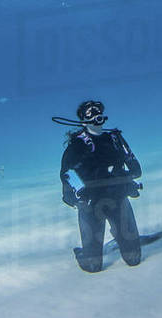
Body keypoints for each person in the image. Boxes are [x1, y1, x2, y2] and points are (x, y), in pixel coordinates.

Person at [54, 100, 144, 273]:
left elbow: (136, 169)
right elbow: (67, 174)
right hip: (91, 204)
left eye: (98, 110)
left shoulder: (115, 139)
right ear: (82, 120)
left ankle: (123, 239)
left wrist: (123, 178)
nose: (95, 114)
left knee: (134, 259)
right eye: (90, 113)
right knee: (93, 267)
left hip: (118, 199)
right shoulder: (76, 145)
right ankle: (82, 252)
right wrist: (80, 196)